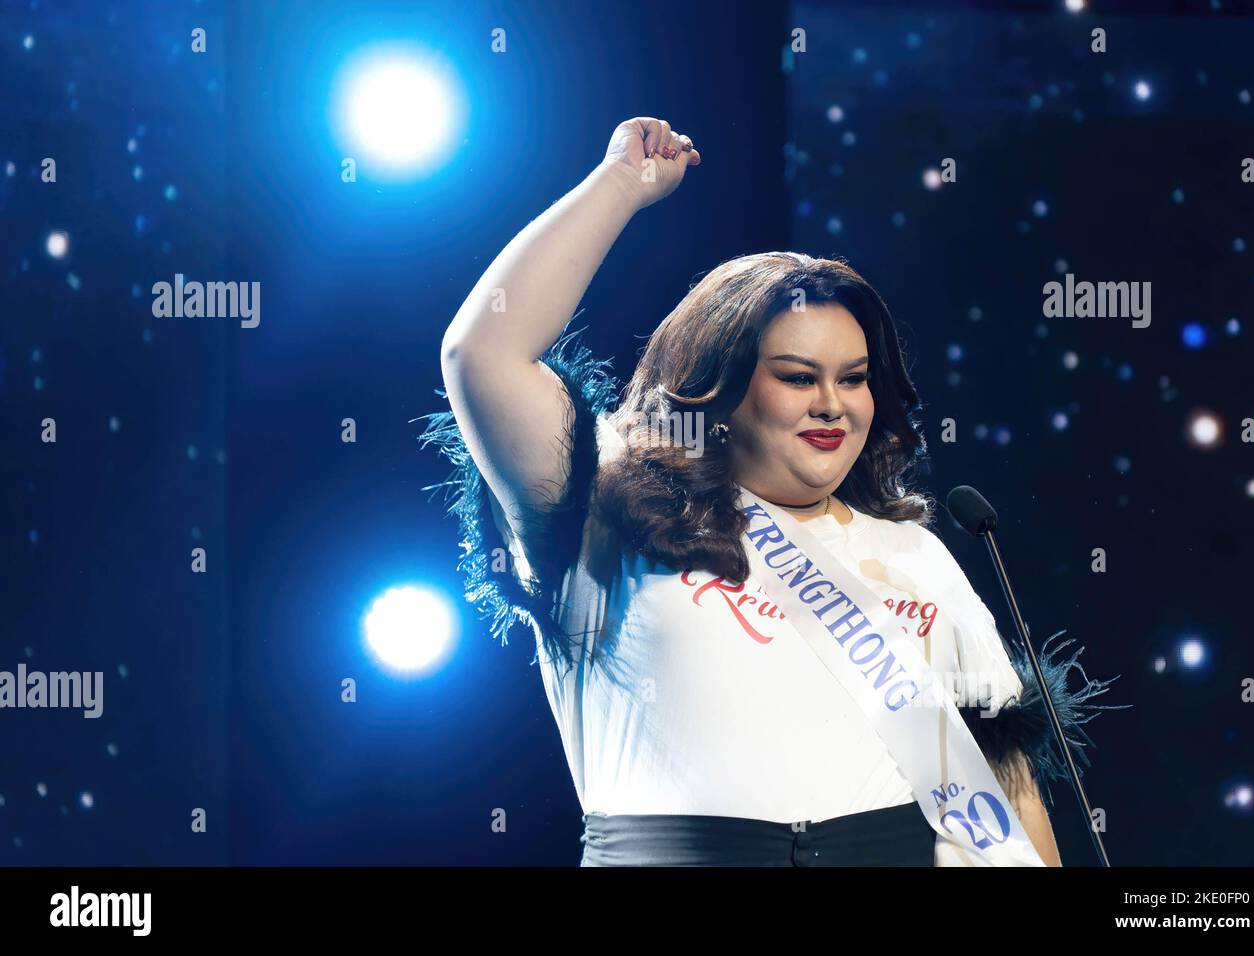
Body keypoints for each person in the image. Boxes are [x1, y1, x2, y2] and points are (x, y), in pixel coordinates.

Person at [422, 117, 1124, 866]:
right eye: (797, 377)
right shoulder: (607, 517)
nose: (834, 404)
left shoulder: (915, 556)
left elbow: (1006, 795)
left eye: (853, 379)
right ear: (711, 388)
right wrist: (620, 186)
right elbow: (482, 353)